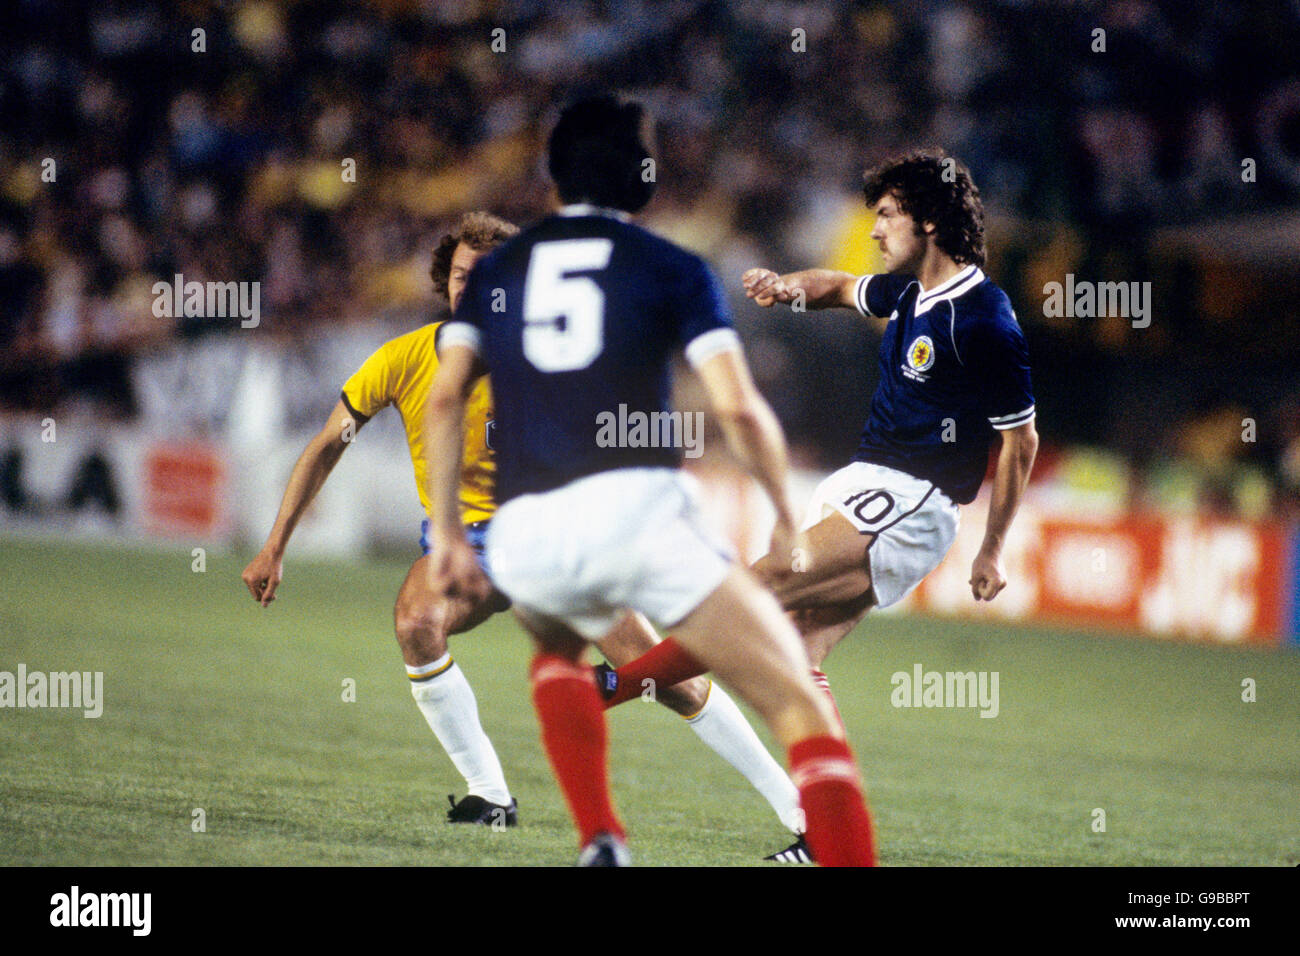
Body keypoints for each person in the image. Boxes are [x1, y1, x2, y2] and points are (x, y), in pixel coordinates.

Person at [242, 212, 806, 850]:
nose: (472, 288)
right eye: (460, 276)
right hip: (470, 545)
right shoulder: (403, 360)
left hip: (561, 534)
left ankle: (800, 816)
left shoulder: (554, 360)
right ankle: (489, 794)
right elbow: (326, 444)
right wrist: (275, 544)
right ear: (444, 283)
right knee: (415, 623)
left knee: (664, 678)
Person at [423, 94, 877, 866]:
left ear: (553, 177)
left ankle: (602, 837)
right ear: (644, 176)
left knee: (558, 649)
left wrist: (445, 537)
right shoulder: (672, 267)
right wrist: (781, 514)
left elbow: (443, 398)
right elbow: (739, 408)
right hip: (635, 512)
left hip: (524, 525)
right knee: (799, 703)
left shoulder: (499, 270)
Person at [602, 150, 1038, 739]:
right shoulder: (909, 294)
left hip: (913, 500)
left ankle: (608, 689)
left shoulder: (986, 319)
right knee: (799, 652)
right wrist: (787, 288)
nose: (876, 230)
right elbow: (835, 287)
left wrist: (993, 548)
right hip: (868, 482)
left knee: (757, 587)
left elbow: (1021, 440)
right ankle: (822, 826)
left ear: (930, 221)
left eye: (887, 215)